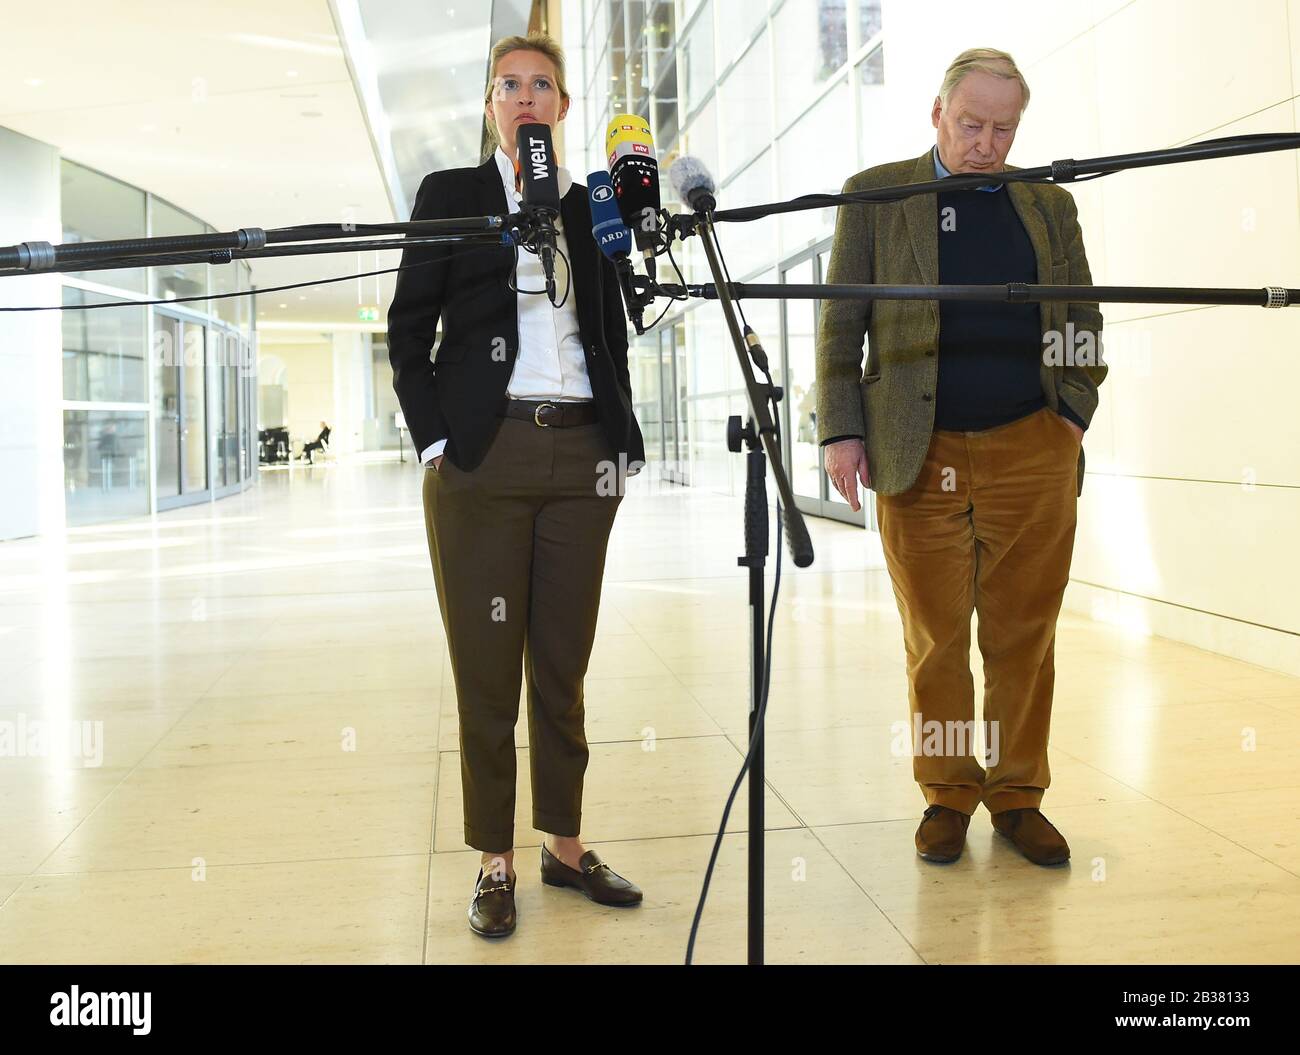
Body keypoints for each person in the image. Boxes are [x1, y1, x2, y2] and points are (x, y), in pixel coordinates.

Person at [816, 48, 1107, 868]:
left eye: (1003, 128)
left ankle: (1018, 794)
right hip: (918, 448)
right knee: (936, 639)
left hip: (1031, 445)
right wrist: (842, 428)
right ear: (936, 113)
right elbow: (841, 323)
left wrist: (1072, 411)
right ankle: (948, 790)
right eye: (972, 124)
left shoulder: (1047, 204)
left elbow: (1081, 314)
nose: (986, 143)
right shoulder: (877, 195)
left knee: (1024, 634)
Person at [386, 31, 647, 938]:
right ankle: (494, 857)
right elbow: (408, 327)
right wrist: (436, 445)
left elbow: (625, 323)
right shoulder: (452, 198)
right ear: (491, 107)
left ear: (565, 108)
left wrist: (634, 228)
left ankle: (564, 846)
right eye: (509, 86)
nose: (526, 98)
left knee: (563, 666)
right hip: (484, 459)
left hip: (583, 457)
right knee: (487, 670)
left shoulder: (596, 205)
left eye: (543, 85)